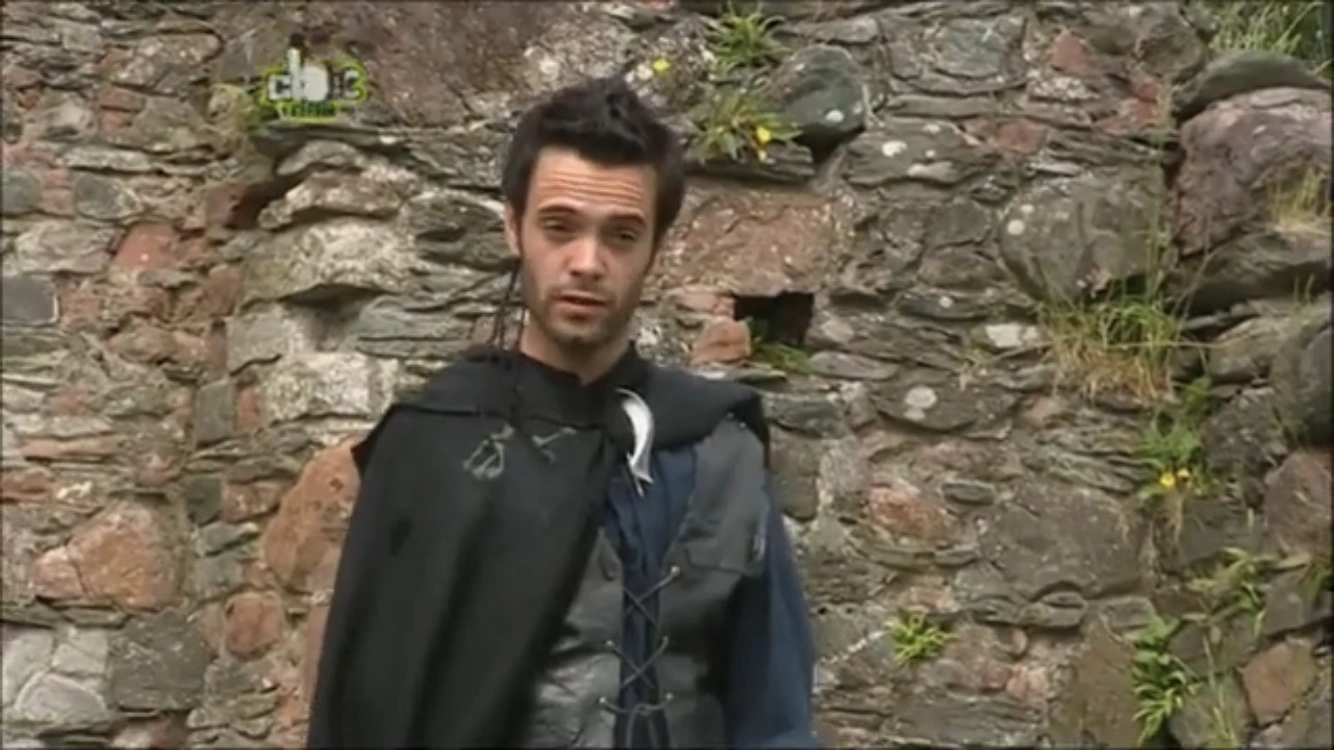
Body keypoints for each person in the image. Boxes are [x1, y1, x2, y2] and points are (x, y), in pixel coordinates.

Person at [306, 75, 819, 749]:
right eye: (560, 227)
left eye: (622, 235)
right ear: (513, 228)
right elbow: (366, 705)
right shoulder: (435, 447)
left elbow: (774, 711)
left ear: (656, 248)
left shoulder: (718, 449)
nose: (587, 262)